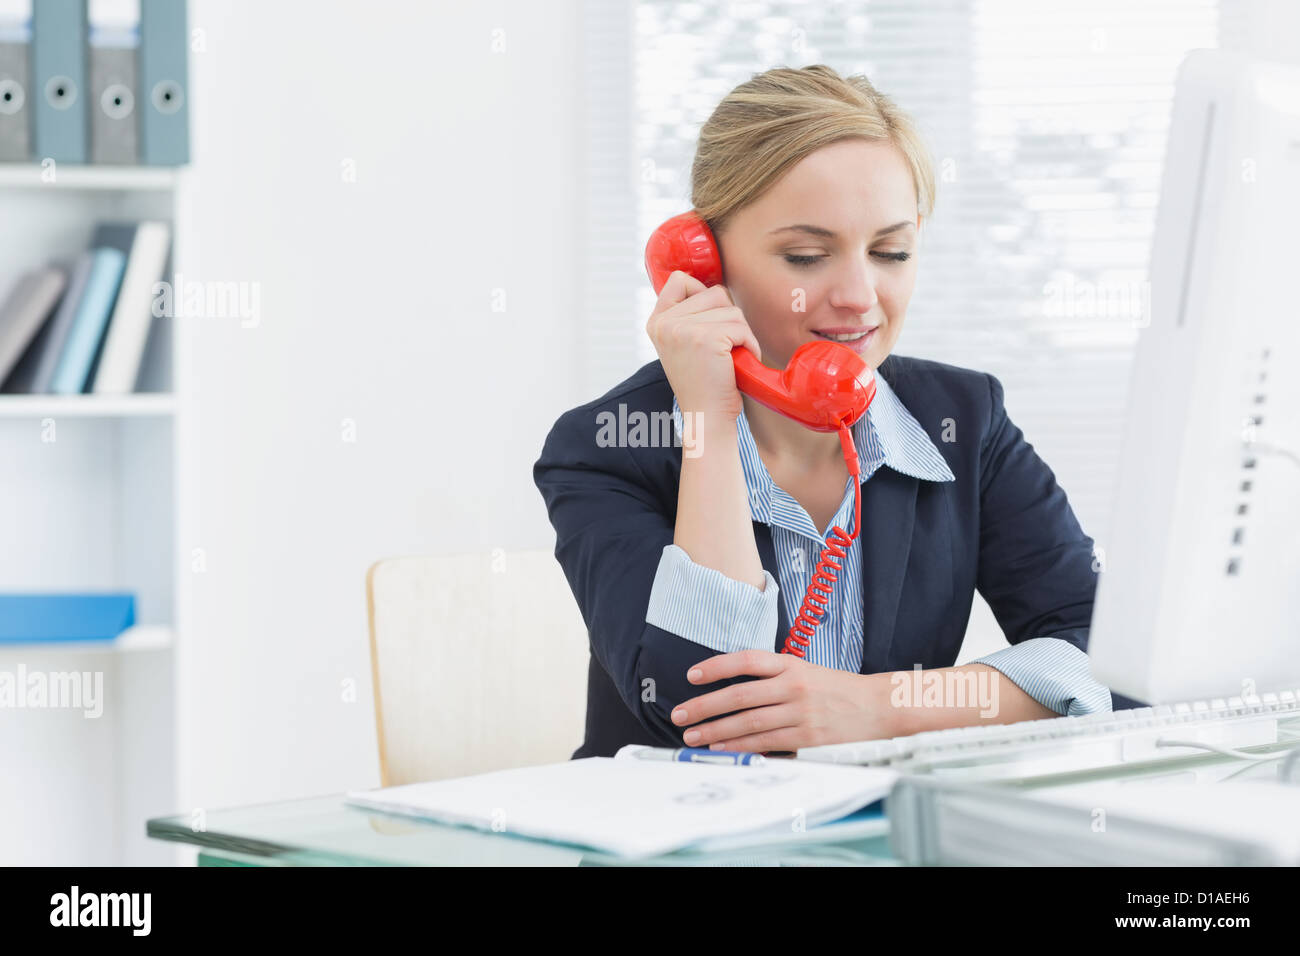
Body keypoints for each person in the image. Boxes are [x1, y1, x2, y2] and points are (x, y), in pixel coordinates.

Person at [534, 64, 1120, 761]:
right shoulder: (605, 448)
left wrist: (882, 707)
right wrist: (710, 425)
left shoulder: (964, 422)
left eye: (890, 251)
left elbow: (1106, 661)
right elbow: (690, 709)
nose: (859, 295)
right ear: (706, 264)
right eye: (807, 256)